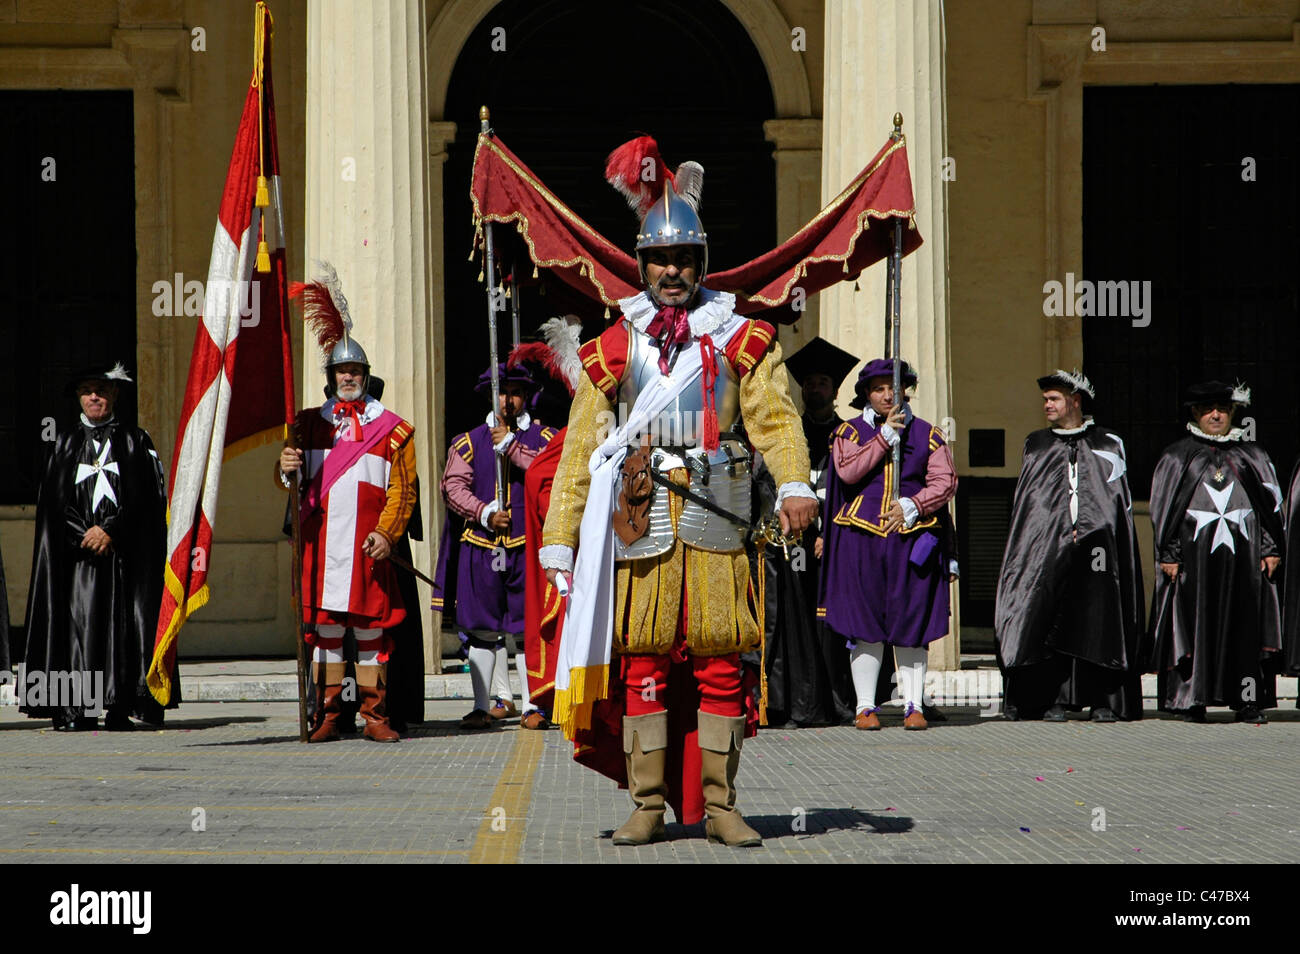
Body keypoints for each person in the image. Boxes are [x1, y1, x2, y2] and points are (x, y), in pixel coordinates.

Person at [541, 136, 817, 847]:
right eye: (661, 260)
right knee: (644, 658)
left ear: (700, 263)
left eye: (684, 260)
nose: (672, 272)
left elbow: (776, 420)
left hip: (720, 511)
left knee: (724, 655)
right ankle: (648, 803)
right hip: (637, 514)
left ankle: (721, 803)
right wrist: (559, 539)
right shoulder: (615, 345)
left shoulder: (742, 338)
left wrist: (794, 483)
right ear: (643, 264)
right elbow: (580, 447)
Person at [280, 265, 417, 743]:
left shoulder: (393, 428)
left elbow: (403, 489)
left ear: (366, 376)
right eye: (341, 371)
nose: (349, 377)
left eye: (356, 371)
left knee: (373, 634)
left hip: (367, 547)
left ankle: (375, 717)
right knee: (327, 634)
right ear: (331, 377)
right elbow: (290, 487)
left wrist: (386, 533)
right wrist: (286, 464)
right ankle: (331, 715)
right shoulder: (305, 425)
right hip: (322, 547)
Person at [21, 363, 170, 730]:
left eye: (101, 391)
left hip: (124, 558)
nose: (94, 397)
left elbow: (149, 499)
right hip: (76, 560)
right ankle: (77, 708)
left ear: (114, 395)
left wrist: (111, 531)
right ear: (78, 397)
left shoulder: (136, 440)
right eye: (87, 391)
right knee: (77, 631)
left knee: (122, 629)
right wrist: (83, 533)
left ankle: (121, 706)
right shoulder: (63, 443)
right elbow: (53, 503)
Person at [995, 370, 1144, 722]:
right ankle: (1052, 699)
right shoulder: (1037, 444)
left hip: (1099, 551)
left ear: (1075, 401)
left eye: (1054, 399)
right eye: (1045, 399)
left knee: (1099, 621)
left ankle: (1103, 700)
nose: (1046, 405)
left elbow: (1115, 503)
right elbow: (1029, 505)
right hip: (1048, 549)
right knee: (1048, 620)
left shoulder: (1109, 443)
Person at [819, 358, 956, 731]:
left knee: (911, 623)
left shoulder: (929, 433)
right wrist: (883, 440)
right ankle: (866, 707)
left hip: (912, 538)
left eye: (892, 388)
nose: (886, 395)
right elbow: (848, 472)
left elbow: (945, 482)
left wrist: (914, 504)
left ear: (904, 391)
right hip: (860, 538)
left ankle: (914, 705)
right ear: (866, 393)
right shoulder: (848, 432)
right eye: (878, 389)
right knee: (864, 623)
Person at [1146, 380, 1284, 723]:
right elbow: (1164, 512)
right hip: (1194, 565)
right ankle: (1191, 699)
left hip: (1245, 561)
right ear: (1196, 413)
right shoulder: (1177, 456)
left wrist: (1269, 547)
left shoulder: (1252, 455)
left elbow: (1270, 508)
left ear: (1232, 413)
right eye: (1208, 410)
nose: (1216, 415)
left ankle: (1248, 701)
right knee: (1194, 625)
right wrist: (1169, 553)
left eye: (1222, 409)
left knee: (1246, 628)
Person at [439, 363, 555, 730]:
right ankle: (481, 705)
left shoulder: (546, 439)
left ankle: (532, 706)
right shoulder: (468, 441)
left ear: (526, 397)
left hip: (529, 548)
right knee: (482, 630)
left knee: (525, 629)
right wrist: (485, 512)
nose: (509, 400)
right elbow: (453, 487)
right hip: (482, 546)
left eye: (516, 392)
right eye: (502, 393)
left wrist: (513, 448)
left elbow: (554, 474)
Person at [758, 336, 859, 727]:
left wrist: (829, 535)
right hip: (790, 546)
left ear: (835, 390)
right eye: (810, 382)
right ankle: (795, 703)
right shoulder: (788, 437)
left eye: (823, 382)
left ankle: (840, 701)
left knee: (833, 625)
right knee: (791, 621)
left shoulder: (851, 437)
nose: (815, 388)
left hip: (836, 545)